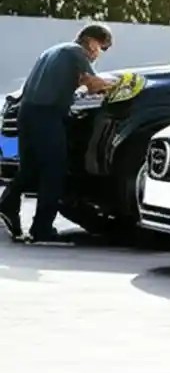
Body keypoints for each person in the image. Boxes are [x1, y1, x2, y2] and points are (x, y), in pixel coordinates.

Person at [0, 24, 117, 244]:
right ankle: (42, 229)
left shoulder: (54, 51)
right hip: (47, 115)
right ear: (92, 42)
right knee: (54, 170)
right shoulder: (77, 53)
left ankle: (7, 205)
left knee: (31, 168)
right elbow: (93, 84)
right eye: (103, 47)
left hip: (27, 113)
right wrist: (118, 85)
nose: (99, 54)